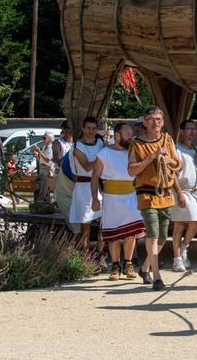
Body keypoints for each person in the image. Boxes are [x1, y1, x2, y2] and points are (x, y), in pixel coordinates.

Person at [128, 106, 183, 291]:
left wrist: (168, 161)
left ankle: (144, 268)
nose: (156, 122)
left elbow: (177, 165)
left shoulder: (167, 140)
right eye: (151, 119)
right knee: (152, 233)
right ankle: (157, 276)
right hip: (146, 193)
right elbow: (131, 170)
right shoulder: (136, 144)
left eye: (159, 119)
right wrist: (152, 157)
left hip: (165, 194)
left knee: (161, 238)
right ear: (145, 122)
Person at [91, 122, 143, 281]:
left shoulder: (133, 152)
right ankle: (115, 266)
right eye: (127, 134)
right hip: (111, 197)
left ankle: (128, 264)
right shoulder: (104, 153)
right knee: (112, 234)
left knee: (131, 233)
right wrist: (95, 198)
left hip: (131, 196)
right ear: (117, 135)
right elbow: (95, 177)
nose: (131, 137)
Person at [171, 120, 197, 272]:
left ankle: (184, 247)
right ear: (182, 131)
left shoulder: (195, 150)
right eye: (188, 129)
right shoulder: (176, 150)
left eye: (194, 129)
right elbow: (173, 174)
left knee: (195, 224)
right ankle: (177, 259)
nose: (192, 131)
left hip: (194, 192)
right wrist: (178, 193)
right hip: (182, 191)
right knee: (179, 225)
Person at [70, 117, 105, 252]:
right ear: (83, 129)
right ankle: (85, 256)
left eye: (94, 128)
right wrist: (101, 159)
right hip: (84, 187)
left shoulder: (100, 143)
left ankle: (100, 256)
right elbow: (87, 167)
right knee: (86, 225)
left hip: (101, 186)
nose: (91, 131)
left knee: (104, 223)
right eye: (88, 128)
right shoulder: (77, 147)